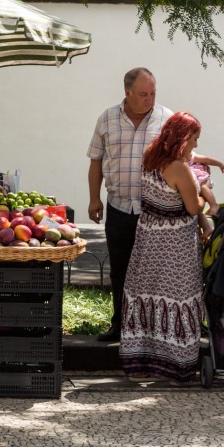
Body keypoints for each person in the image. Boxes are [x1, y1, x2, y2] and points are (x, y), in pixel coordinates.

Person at [87, 68, 174, 343]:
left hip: (156, 210)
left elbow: (184, 159)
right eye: (143, 94)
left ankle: (152, 331)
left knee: (155, 272)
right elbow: (96, 161)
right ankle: (120, 325)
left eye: (153, 93)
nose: (149, 99)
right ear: (127, 93)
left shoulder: (166, 118)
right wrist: (93, 198)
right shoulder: (107, 118)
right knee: (120, 269)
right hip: (119, 207)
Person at [119, 112, 206, 385]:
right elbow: (193, 207)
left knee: (146, 294)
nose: (195, 146)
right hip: (176, 244)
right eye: (193, 139)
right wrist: (203, 193)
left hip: (148, 238)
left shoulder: (150, 156)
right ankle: (176, 369)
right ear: (182, 138)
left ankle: (139, 365)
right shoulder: (179, 168)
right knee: (178, 298)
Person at [186, 152, 224, 239]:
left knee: (203, 187)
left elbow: (207, 159)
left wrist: (220, 164)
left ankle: (213, 204)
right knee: (197, 211)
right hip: (193, 187)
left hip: (201, 179)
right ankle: (208, 228)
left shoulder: (191, 156)